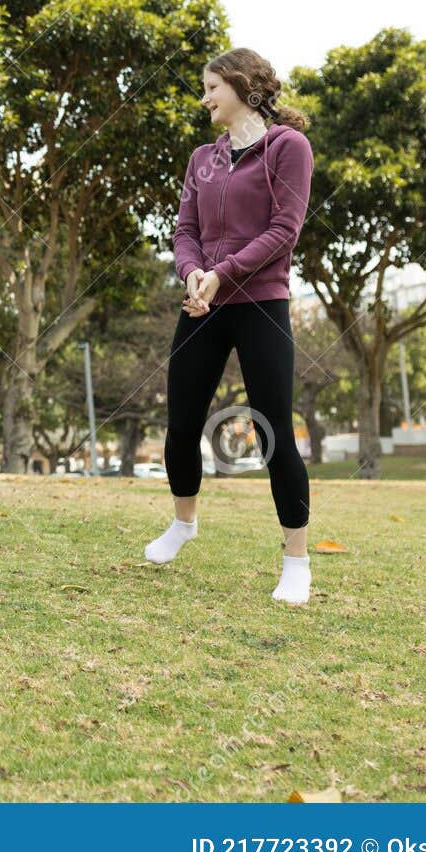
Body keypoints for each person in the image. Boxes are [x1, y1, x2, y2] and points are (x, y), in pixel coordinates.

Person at [151, 47, 315, 604]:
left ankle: (296, 560)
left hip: (260, 302)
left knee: (273, 432)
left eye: (211, 87)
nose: (205, 97)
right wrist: (195, 272)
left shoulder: (288, 148)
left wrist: (223, 274)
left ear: (243, 89)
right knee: (181, 421)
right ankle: (183, 523)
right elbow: (185, 228)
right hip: (204, 301)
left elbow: (284, 229)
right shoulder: (203, 157)